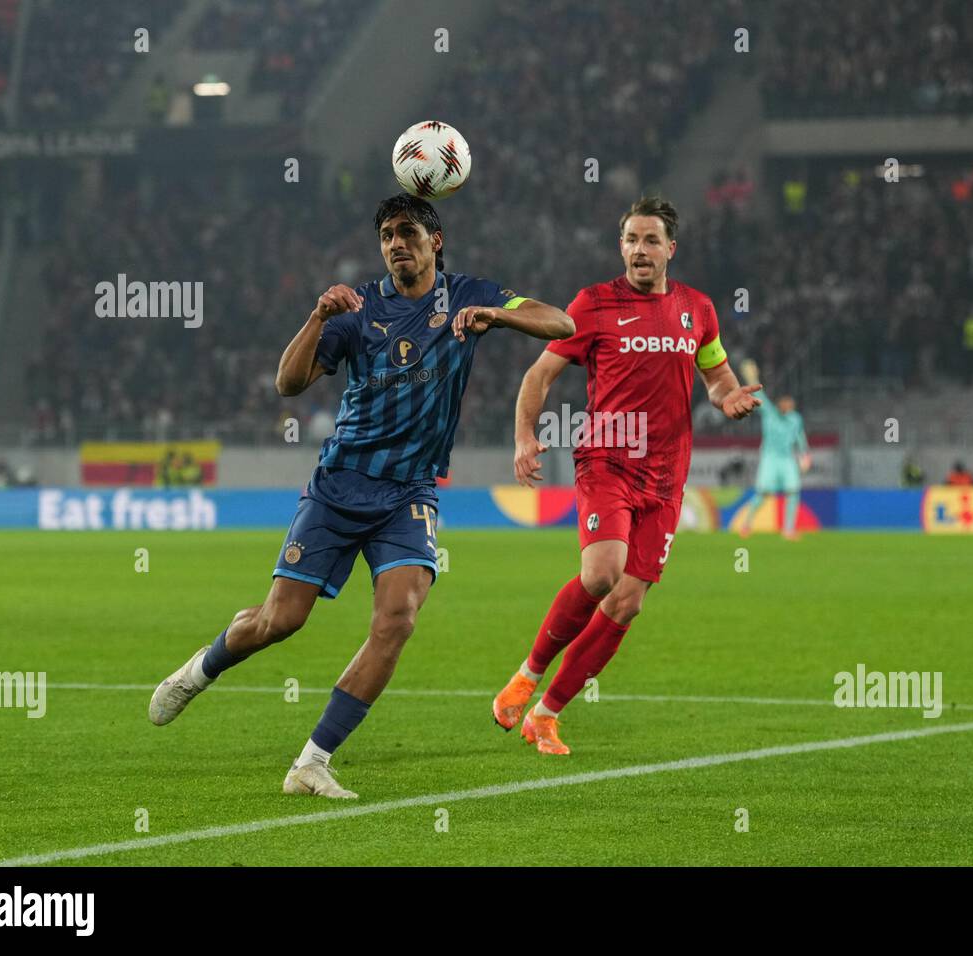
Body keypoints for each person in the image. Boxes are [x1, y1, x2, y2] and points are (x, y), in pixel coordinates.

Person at [147, 194, 574, 799]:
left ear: (436, 240)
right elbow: (287, 383)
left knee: (397, 620)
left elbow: (563, 324)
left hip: (409, 493)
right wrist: (317, 317)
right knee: (279, 621)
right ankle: (201, 670)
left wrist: (496, 316)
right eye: (386, 236)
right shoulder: (355, 309)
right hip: (339, 485)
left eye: (407, 233)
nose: (396, 244)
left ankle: (312, 762)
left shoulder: (470, 294)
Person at [492, 196, 762, 755]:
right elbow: (539, 375)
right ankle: (527, 673)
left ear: (670, 249)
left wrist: (727, 396)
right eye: (631, 240)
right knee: (601, 574)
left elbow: (716, 376)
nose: (640, 251)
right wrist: (524, 435)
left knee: (628, 602)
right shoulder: (593, 304)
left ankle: (546, 715)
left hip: (667, 476)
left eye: (650, 241)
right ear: (622, 247)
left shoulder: (698, 309)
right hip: (608, 459)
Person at [737, 359, 810, 540]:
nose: (788, 405)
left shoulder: (795, 419)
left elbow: (801, 438)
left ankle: (788, 529)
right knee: (763, 494)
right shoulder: (769, 412)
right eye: (786, 402)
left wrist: (805, 456)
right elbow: (759, 394)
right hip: (770, 458)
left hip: (787, 460)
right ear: (780, 404)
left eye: (790, 403)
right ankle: (746, 525)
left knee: (793, 492)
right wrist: (752, 377)